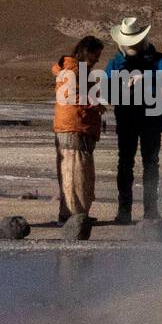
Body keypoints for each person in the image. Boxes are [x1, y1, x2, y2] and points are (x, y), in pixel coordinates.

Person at [104, 17, 162, 223]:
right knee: (125, 164)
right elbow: (107, 92)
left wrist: (146, 77)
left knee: (150, 165)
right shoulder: (116, 62)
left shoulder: (156, 59)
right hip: (127, 120)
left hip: (151, 121)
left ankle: (150, 211)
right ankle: (124, 211)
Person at [51, 36, 107, 224]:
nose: (97, 60)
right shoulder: (73, 72)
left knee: (79, 173)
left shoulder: (78, 71)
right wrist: (93, 104)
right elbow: (69, 96)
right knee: (74, 173)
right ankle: (71, 216)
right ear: (86, 52)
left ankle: (77, 214)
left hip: (77, 128)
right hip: (73, 128)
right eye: (95, 56)